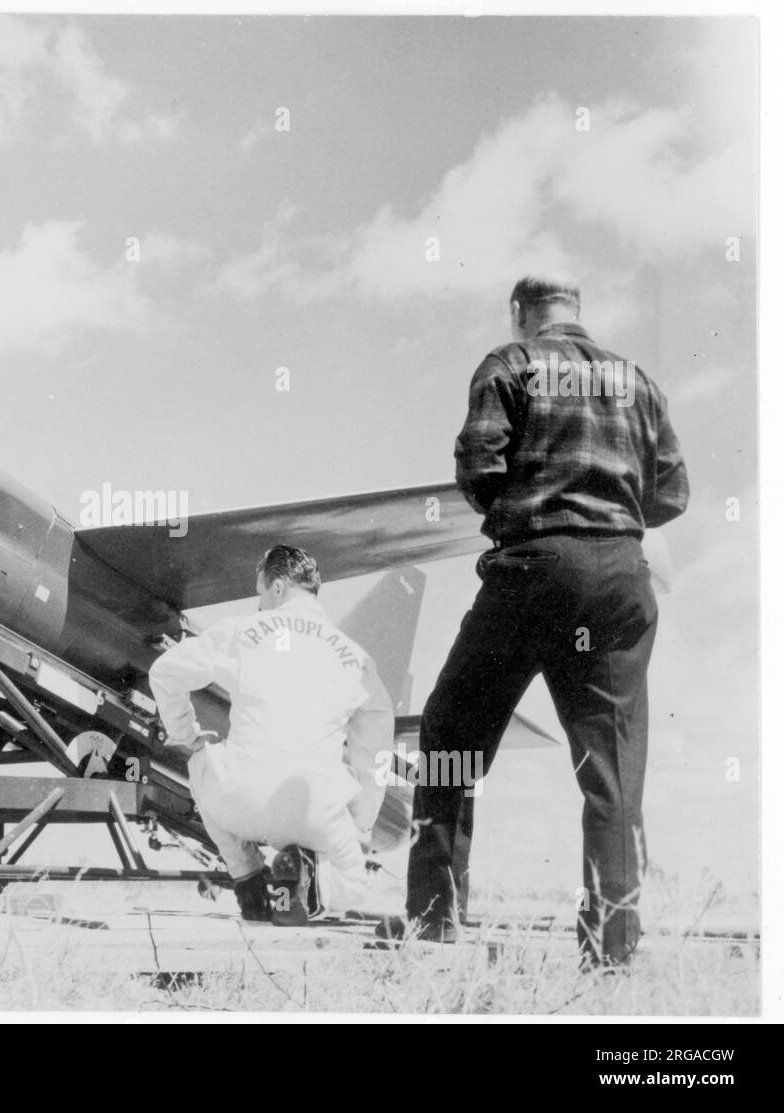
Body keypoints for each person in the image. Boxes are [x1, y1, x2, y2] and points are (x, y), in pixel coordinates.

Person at [389, 274, 688, 967]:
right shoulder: (636, 379)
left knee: (451, 734)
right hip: (620, 576)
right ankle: (612, 951)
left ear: (521, 313)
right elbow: (673, 490)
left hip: (530, 569)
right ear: (577, 312)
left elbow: (477, 466)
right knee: (611, 773)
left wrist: (534, 512)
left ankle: (434, 927)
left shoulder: (511, 363)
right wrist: (609, 516)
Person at [149, 544, 392, 923]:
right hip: (314, 811)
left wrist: (187, 734)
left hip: (239, 801)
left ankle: (246, 879)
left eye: (260, 591)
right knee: (353, 883)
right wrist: (360, 818)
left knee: (201, 762)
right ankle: (308, 883)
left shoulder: (239, 630)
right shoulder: (356, 657)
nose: (259, 603)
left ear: (277, 587)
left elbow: (164, 672)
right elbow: (375, 742)